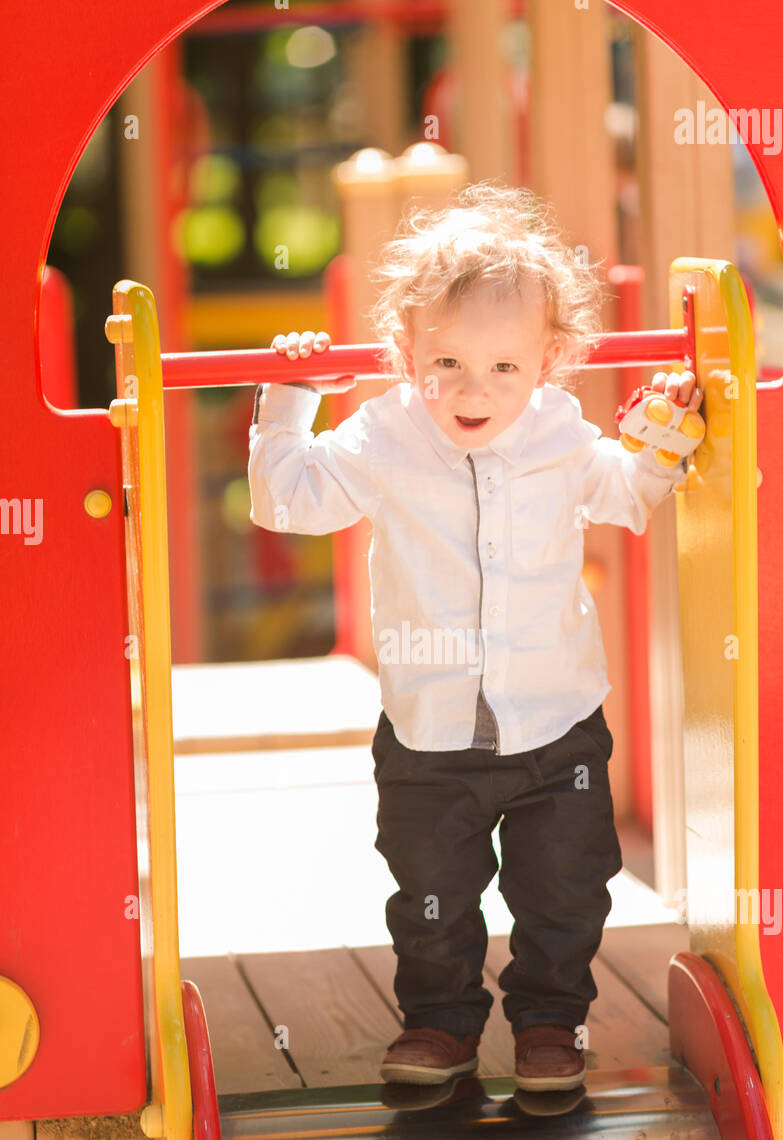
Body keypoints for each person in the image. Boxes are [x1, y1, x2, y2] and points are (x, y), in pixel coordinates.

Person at [247, 182, 702, 1092]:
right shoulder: (383, 435)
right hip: (429, 735)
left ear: (551, 360)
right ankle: (441, 1022)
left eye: (503, 367)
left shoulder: (562, 438)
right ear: (403, 351)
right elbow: (285, 498)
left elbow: (628, 492)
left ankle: (547, 1022)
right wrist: (291, 391)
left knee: (566, 889)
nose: (471, 389)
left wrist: (662, 430)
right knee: (430, 898)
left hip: (557, 727)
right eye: (446, 361)